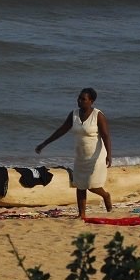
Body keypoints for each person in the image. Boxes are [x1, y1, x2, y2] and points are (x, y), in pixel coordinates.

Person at [35, 87, 113, 219]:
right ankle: (81, 214)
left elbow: (105, 136)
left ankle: (105, 195)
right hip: (80, 155)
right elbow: (61, 130)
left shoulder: (98, 115)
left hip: (96, 155)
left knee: (91, 185)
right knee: (80, 184)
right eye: (79, 98)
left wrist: (109, 155)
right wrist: (44, 143)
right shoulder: (74, 114)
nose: (80, 101)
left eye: (83, 99)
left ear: (91, 101)